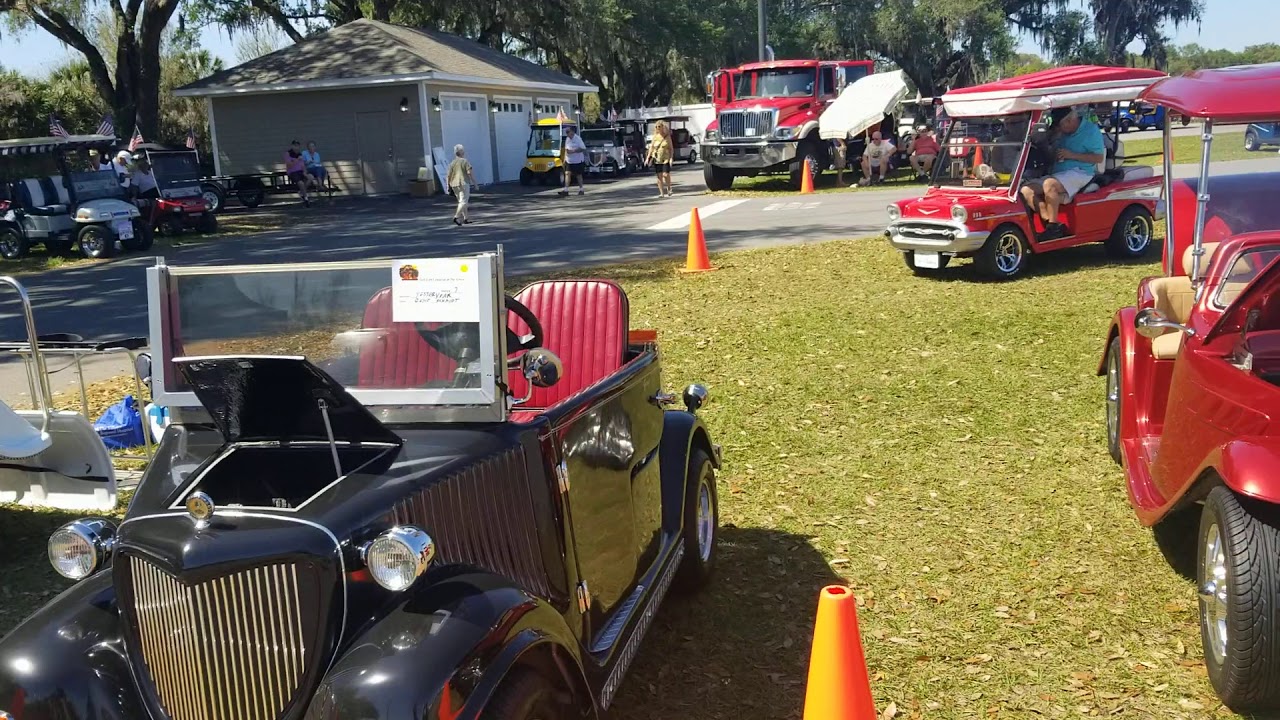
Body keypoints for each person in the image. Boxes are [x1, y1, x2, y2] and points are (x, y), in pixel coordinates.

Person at [1018, 106, 1105, 240]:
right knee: (1026, 190)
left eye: (1060, 126)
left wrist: (1071, 155)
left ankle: (1052, 227)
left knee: (1049, 184)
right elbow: (1053, 155)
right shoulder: (1062, 134)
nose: (1059, 129)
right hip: (1059, 173)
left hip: (1081, 172)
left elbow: (1098, 158)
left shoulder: (1091, 131)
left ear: (1070, 120)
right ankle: (1051, 223)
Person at [447, 144, 476, 226]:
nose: (464, 151)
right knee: (463, 202)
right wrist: (475, 183)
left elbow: (448, 175)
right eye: (463, 150)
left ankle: (466, 218)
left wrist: (448, 186)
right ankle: (456, 217)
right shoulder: (464, 161)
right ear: (461, 152)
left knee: (461, 201)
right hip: (463, 183)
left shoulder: (452, 163)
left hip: (454, 184)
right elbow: (469, 172)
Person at [646, 120, 674, 198]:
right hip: (657, 158)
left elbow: (671, 149)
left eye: (659, 126)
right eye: (656, 127)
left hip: (665, 158)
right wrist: (648, 158)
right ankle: (662, 193)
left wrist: (671, 158)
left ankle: (669, 188)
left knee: (665, 174)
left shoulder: (667, 137)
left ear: (663, 127)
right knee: (659, 176)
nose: (658, 128)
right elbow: (651, 148)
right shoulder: (655, 137)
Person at [559, 125, 587, 196]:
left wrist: (573, 151)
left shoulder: (578, 139)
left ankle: (581, 189)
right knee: (567, 173)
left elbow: (583, 148)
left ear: (572, 132)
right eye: (567, 132)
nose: (568, 134)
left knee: (578, 175)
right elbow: (566, 150)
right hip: (569, 160)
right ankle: (566, 190)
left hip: (577, 160)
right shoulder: (567, 139)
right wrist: (564, 159)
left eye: (569, 132)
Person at [284, 140, 310, 207]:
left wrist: (305, 172)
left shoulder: (300, 154)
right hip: (293, 172)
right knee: (301, 183)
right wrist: (297, 160)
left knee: (310, 177)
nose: (296, 147)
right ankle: (306, 198)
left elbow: (303, 165)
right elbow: (289, 165)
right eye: (295, 145)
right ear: (292, 146)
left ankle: (301, 192)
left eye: (297, 146)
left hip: (300, 171)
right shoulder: (288, 154)